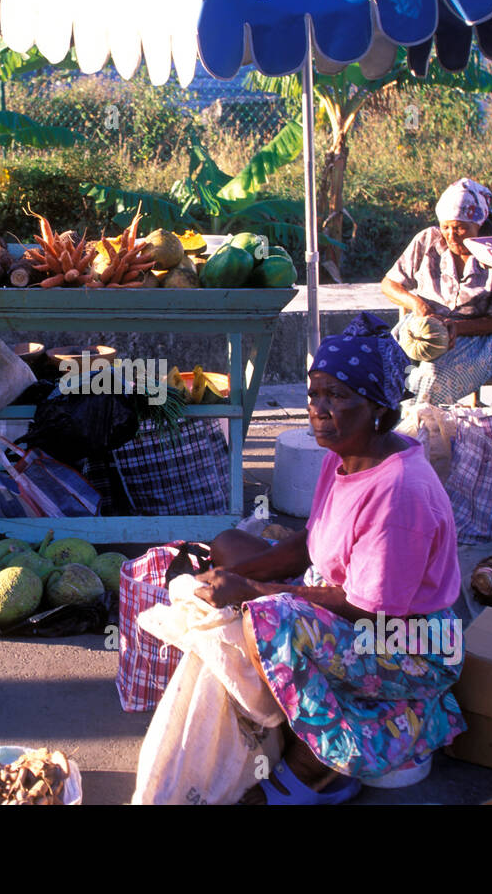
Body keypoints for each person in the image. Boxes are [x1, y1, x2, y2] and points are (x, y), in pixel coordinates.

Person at [195, 312, 466, 804]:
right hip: (348, 595)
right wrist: (227, 573)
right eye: (315, 394)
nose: (320, 409)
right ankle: (285, 722)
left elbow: (368, 608)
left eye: (339, 396)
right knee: (227, 545)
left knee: (274, 618)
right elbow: (307, 541)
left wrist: (253, 591)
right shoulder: (341, 457)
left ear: (379, 408)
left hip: (410, 640)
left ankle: (316, 769)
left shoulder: (399, 492)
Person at [381, 178, 492, 407]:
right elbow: (389, 285)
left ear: (479, 224)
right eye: (446, 227)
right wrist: (418, 305)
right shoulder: (427, 240)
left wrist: (456, 327)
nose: (451, 235)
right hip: (420, 326)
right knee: (383, 366)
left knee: (431, 377)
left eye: (460, 228)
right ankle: (389, 428)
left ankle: (417, 430)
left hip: (475, 338)